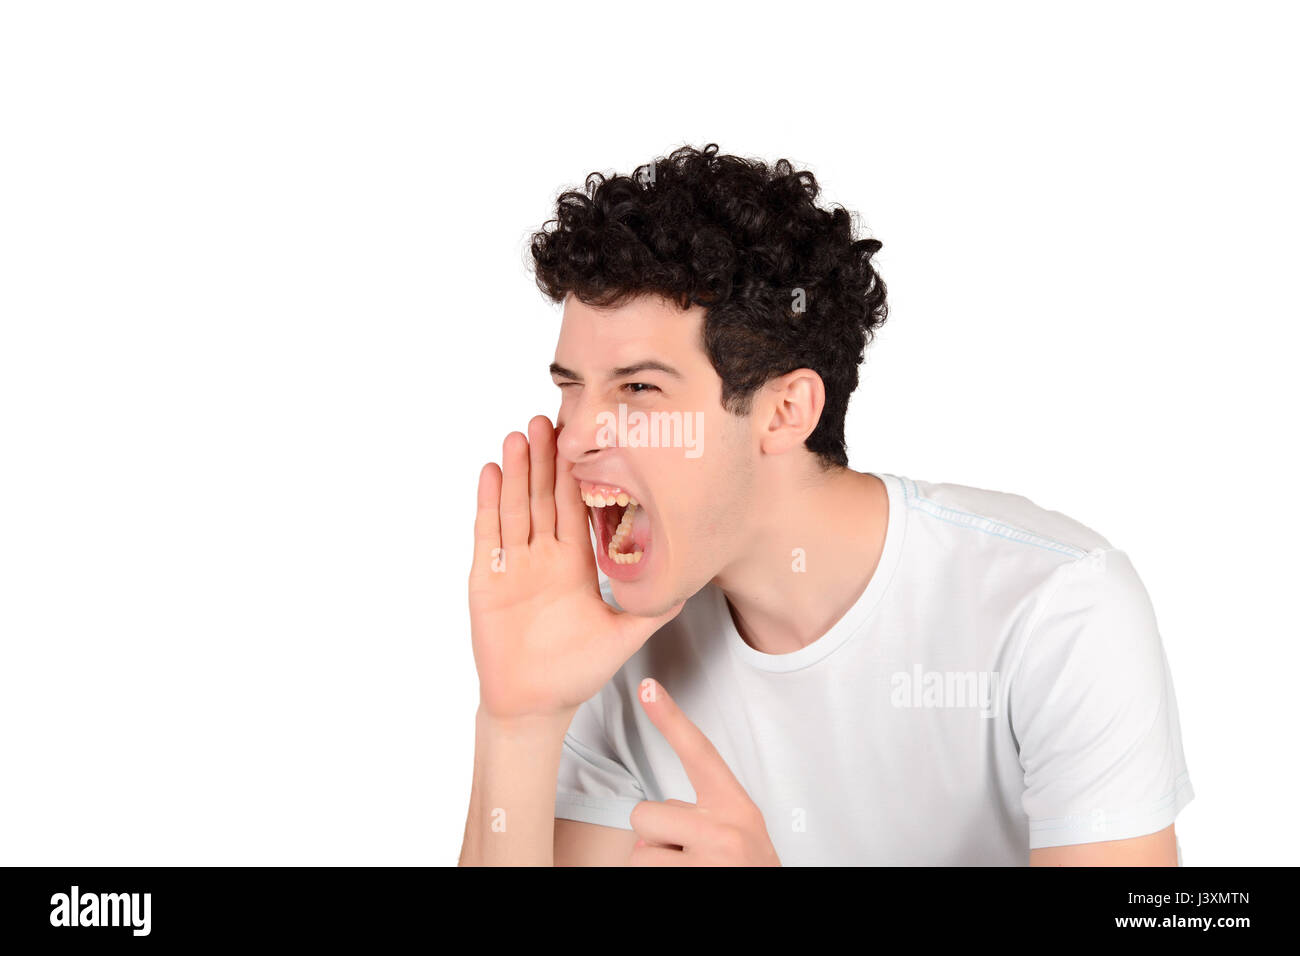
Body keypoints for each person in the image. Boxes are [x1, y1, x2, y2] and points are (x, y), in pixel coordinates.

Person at [457, 144, 1193, 866]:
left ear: (785, 412)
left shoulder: (1056, 609)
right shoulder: (601, 648)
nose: (576, 436)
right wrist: (519, 721)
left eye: (638, 390)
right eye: (571, 387)